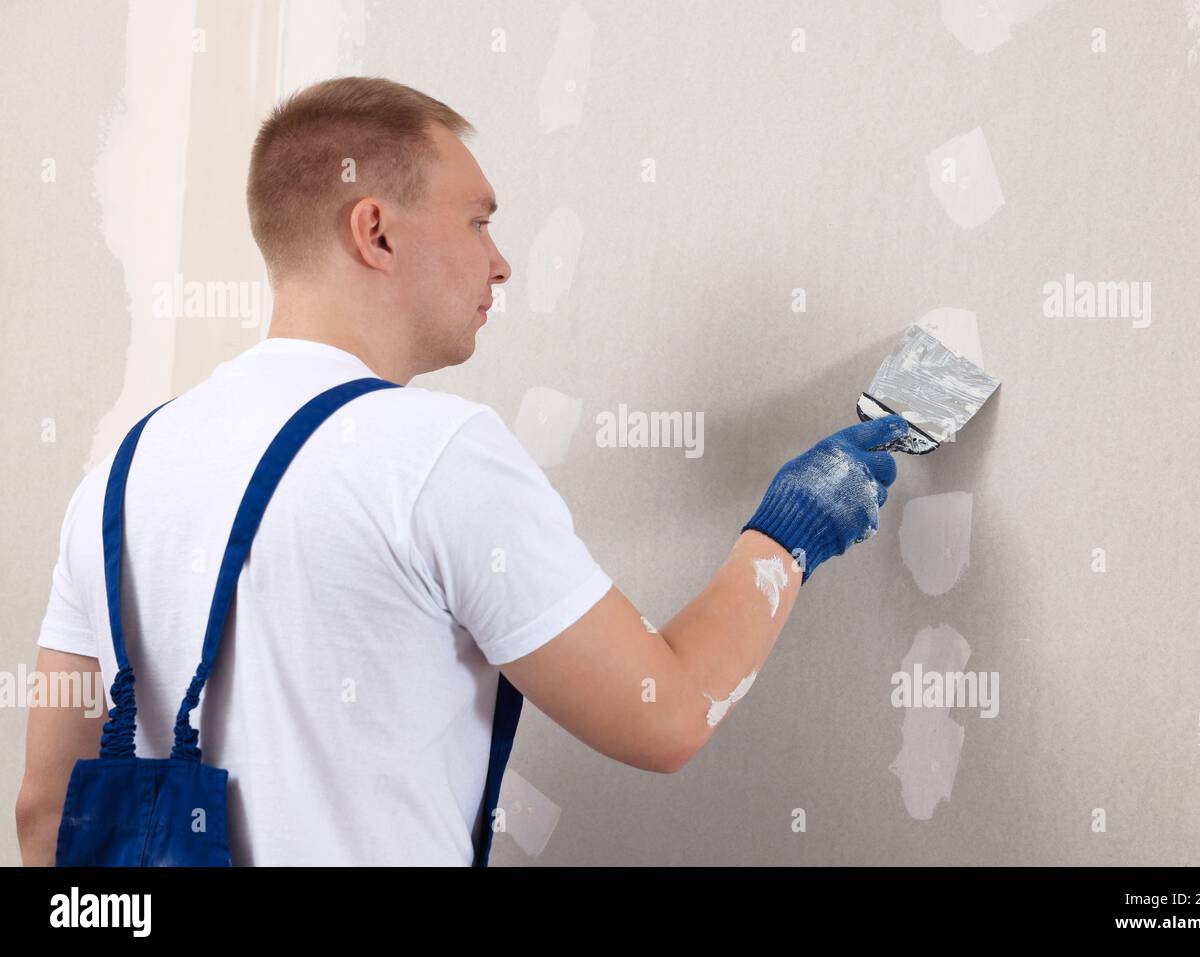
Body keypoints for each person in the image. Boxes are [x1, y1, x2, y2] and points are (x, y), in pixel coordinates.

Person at [15, 76, 905, 866]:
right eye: (478, 221)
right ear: (376, 231)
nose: (501, 261)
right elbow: (664, 715)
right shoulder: (434, 453)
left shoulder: (119, 478)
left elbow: (44, 812)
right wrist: (789, 533)